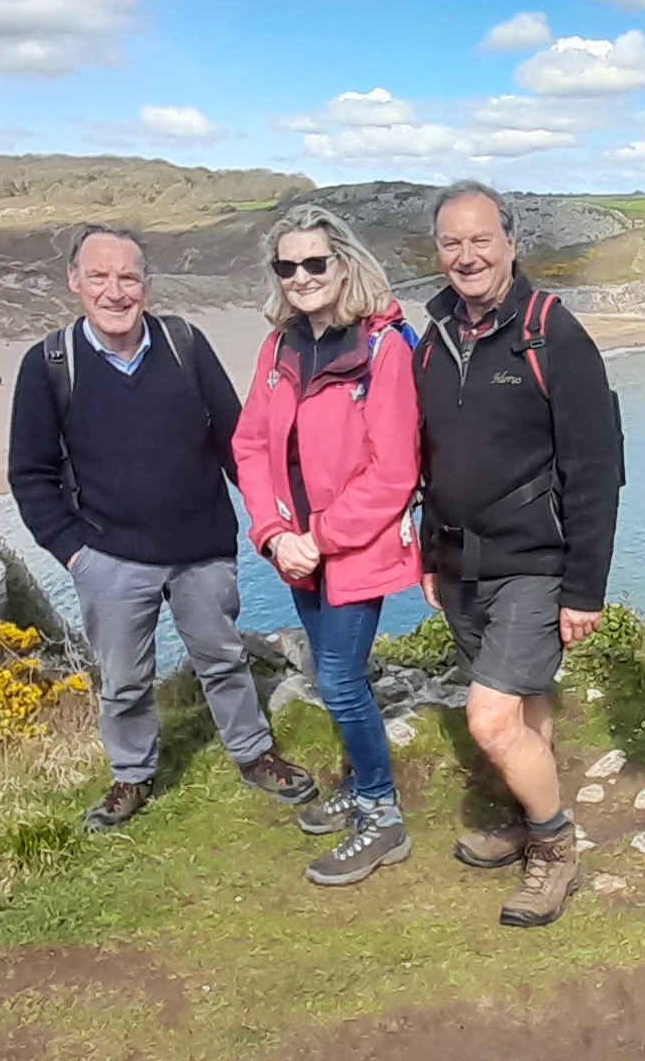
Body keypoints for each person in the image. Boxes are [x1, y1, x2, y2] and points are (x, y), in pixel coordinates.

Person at [8, 224, 319, 832]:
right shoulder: (49, 364)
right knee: (124, 681)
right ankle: (132, 775)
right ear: (75, 282)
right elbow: (30, 474)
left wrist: (272, 522)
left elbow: (237, 442)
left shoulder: (183, 343)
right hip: (109, 556)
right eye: (99, 276)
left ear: (147, 285)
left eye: (128, 277)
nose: (115, 291)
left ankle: (254, 754)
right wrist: (76, 554)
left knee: (225, 659)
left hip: (202, 547)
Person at [412, 180, 624, 928]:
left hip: (536, 563)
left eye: (480, 240)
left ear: (509, 244)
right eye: (451, 242)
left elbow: (597, 468)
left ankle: (555, 848)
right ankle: (533, 812)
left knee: (491, 719)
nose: (466, 256)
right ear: (437, 252)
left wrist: (585, 589)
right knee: (526, 708)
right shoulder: (432, 339)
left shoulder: (553, 336)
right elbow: (429, 454)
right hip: (459, 563)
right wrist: (426, 547)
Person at [231, 205, 423, 886]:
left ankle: (382, 813)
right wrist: (274, 533)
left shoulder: (383, 349)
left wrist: (320, 538)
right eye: (287, 266)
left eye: (316, 262)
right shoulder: (279, 347)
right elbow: (251, 443)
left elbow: (395, 469)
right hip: (295, 549)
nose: (302, 277)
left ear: (344, 263)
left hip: (352, 548)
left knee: (340, 678)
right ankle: (367, 787)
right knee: (331, 676)